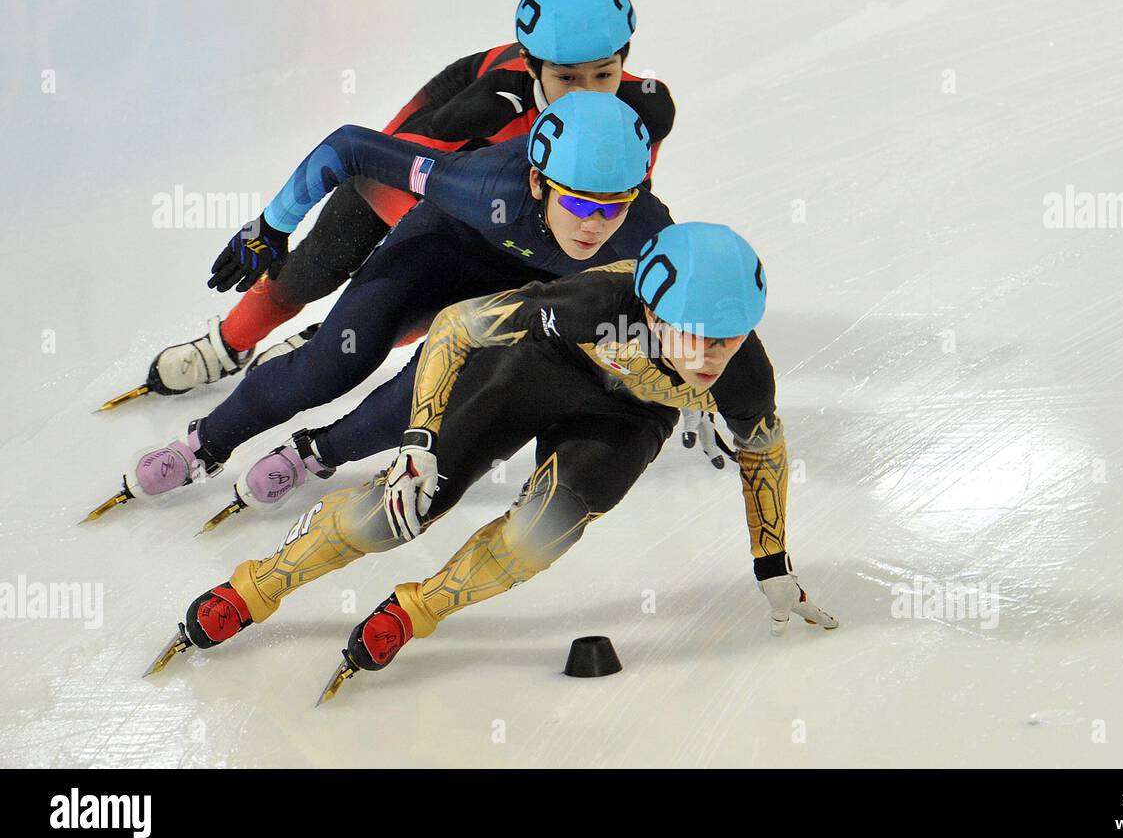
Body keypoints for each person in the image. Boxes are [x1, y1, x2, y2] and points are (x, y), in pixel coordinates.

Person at [145, 223, 838, 702]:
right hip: (533, 368)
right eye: (693, 337)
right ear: (651, 311)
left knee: (537, 536)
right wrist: (417, 440)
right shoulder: (595, 304)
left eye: (727, 340)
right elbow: (454, 326)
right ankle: (254, 588)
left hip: (627, 416)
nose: (708, 360)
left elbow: (763, 453)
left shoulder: (745, 375)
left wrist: (772, 563)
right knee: (399, 510)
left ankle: (418, 610)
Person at [107, 0, 673, 403]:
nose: (588, 95)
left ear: (626, 60)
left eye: (605, 74)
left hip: (506, 185)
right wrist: (272, 225)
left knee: (463, 280)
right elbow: (355, 154)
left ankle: (337, 332)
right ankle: (229, 342)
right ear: (531, 67)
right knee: (328, 257)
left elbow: (618, 215)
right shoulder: (484, 108)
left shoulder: (647, 112)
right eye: (567, 78)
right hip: (445, 147)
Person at [102, 90, 678, 518]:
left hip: (514, 298)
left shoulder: (645, 235)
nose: (595, 226)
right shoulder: (479, 183)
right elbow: (351, 146)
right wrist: (271, 226)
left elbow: (697, 308)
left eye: (615, 206)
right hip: (440, 253)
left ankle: (316, 453)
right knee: (333, 363)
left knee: (430, 386)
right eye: (580, 205)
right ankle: (203, 444)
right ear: (536, 183)